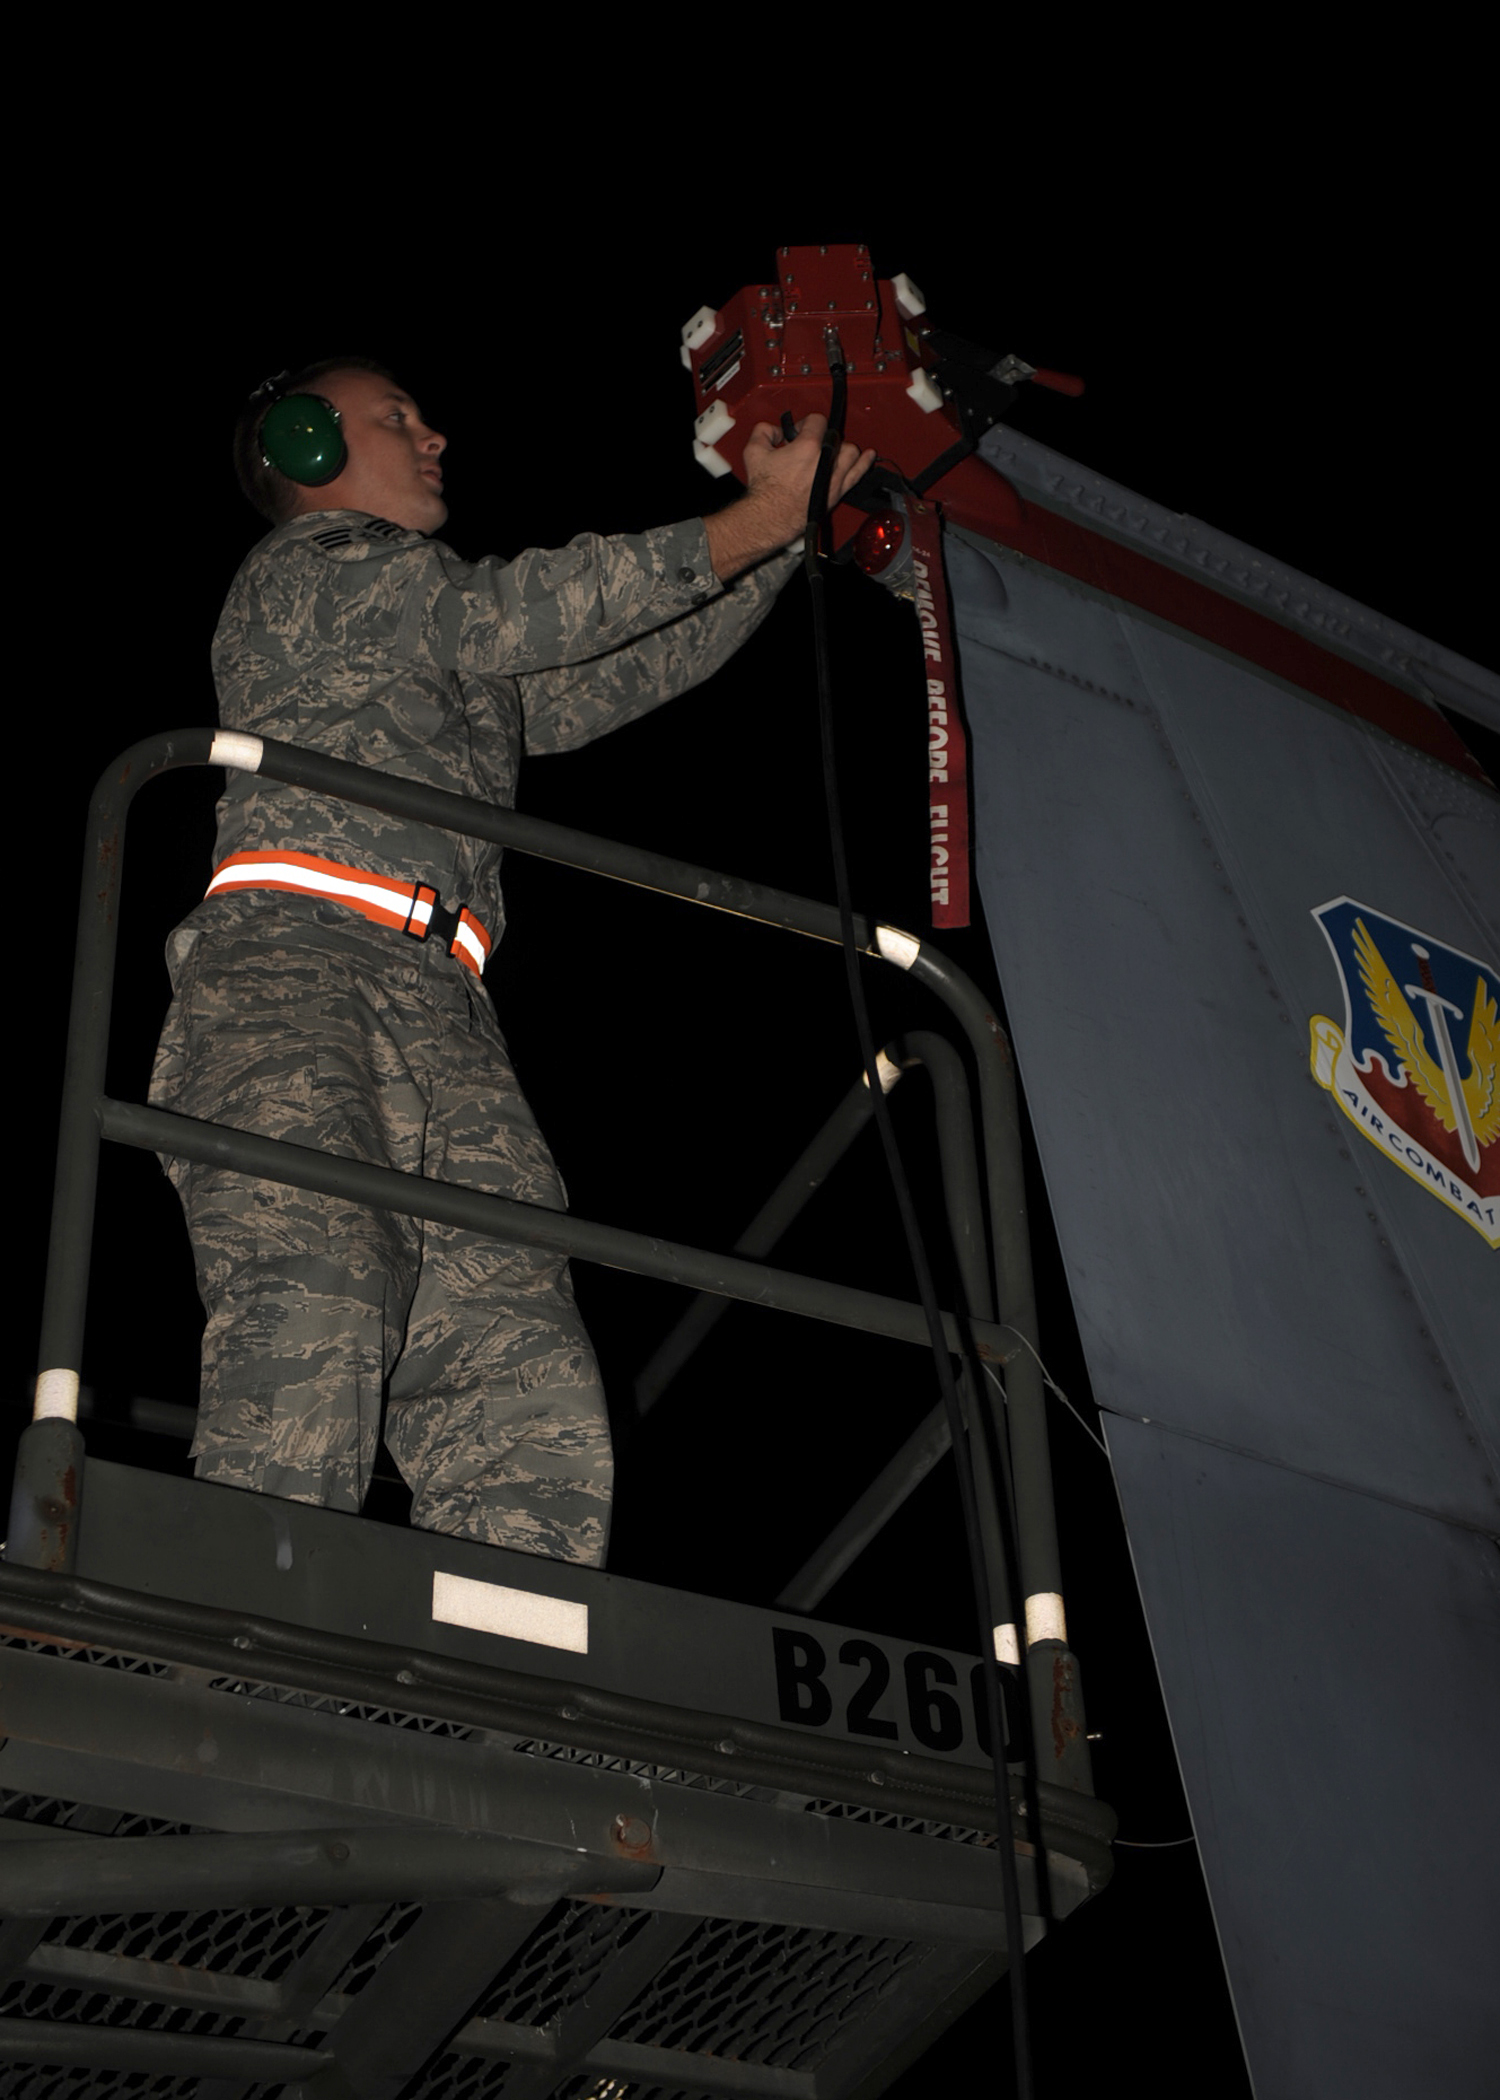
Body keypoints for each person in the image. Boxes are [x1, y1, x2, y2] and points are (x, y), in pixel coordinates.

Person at [149, 357, 873, 1568]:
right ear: (308, 448)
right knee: (319, 1303)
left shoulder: (435, 632)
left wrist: (789, 541)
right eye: (399, 420)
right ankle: (237, 1665)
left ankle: (513, 1694)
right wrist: (757, 516)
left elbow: (615, 666)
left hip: (446, 1009)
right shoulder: (318, 573)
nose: (436, 436)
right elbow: (527, 610)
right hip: (294, 976)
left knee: (522, 1376)